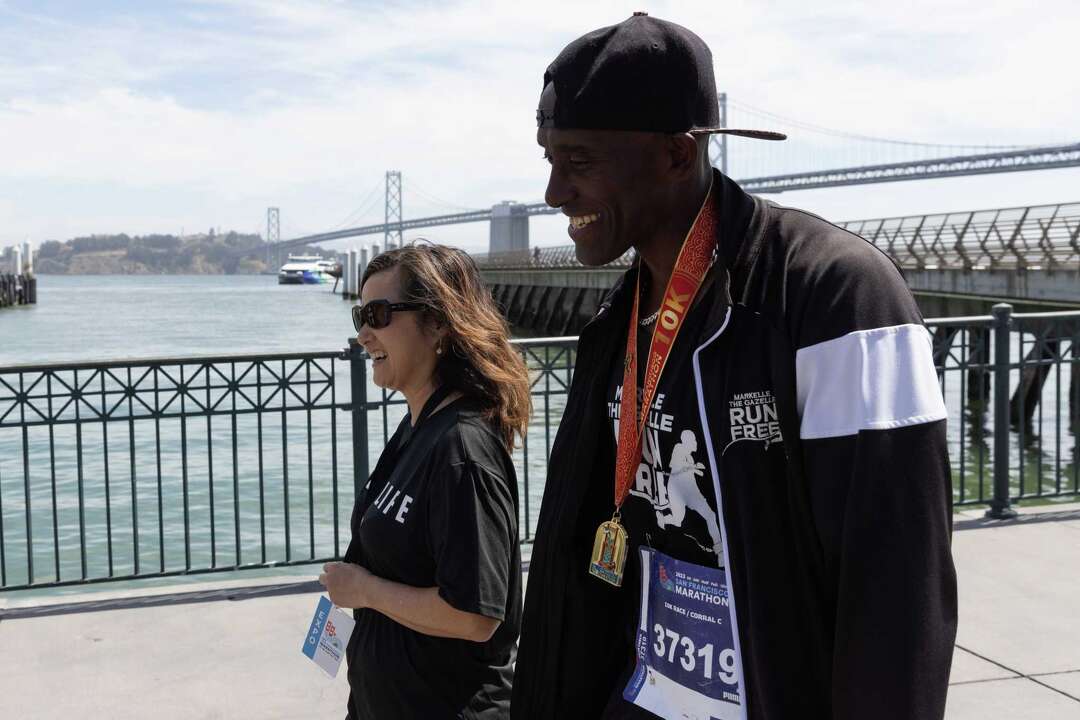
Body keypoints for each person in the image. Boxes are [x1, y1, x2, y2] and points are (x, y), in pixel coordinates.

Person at [513, 13, 957, 720]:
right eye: (550, 159)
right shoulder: (616, 324)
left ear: (676, 156)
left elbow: (895, 589)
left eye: (580, 160)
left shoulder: (834, 295)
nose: (554, 193)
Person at [319, 243, 531, 719]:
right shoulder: (418, 426)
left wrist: (364, 590)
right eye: (359, 316)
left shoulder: (463, 449)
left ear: (437, 323)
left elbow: (476, 615)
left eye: (378, 315)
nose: (364, 335)